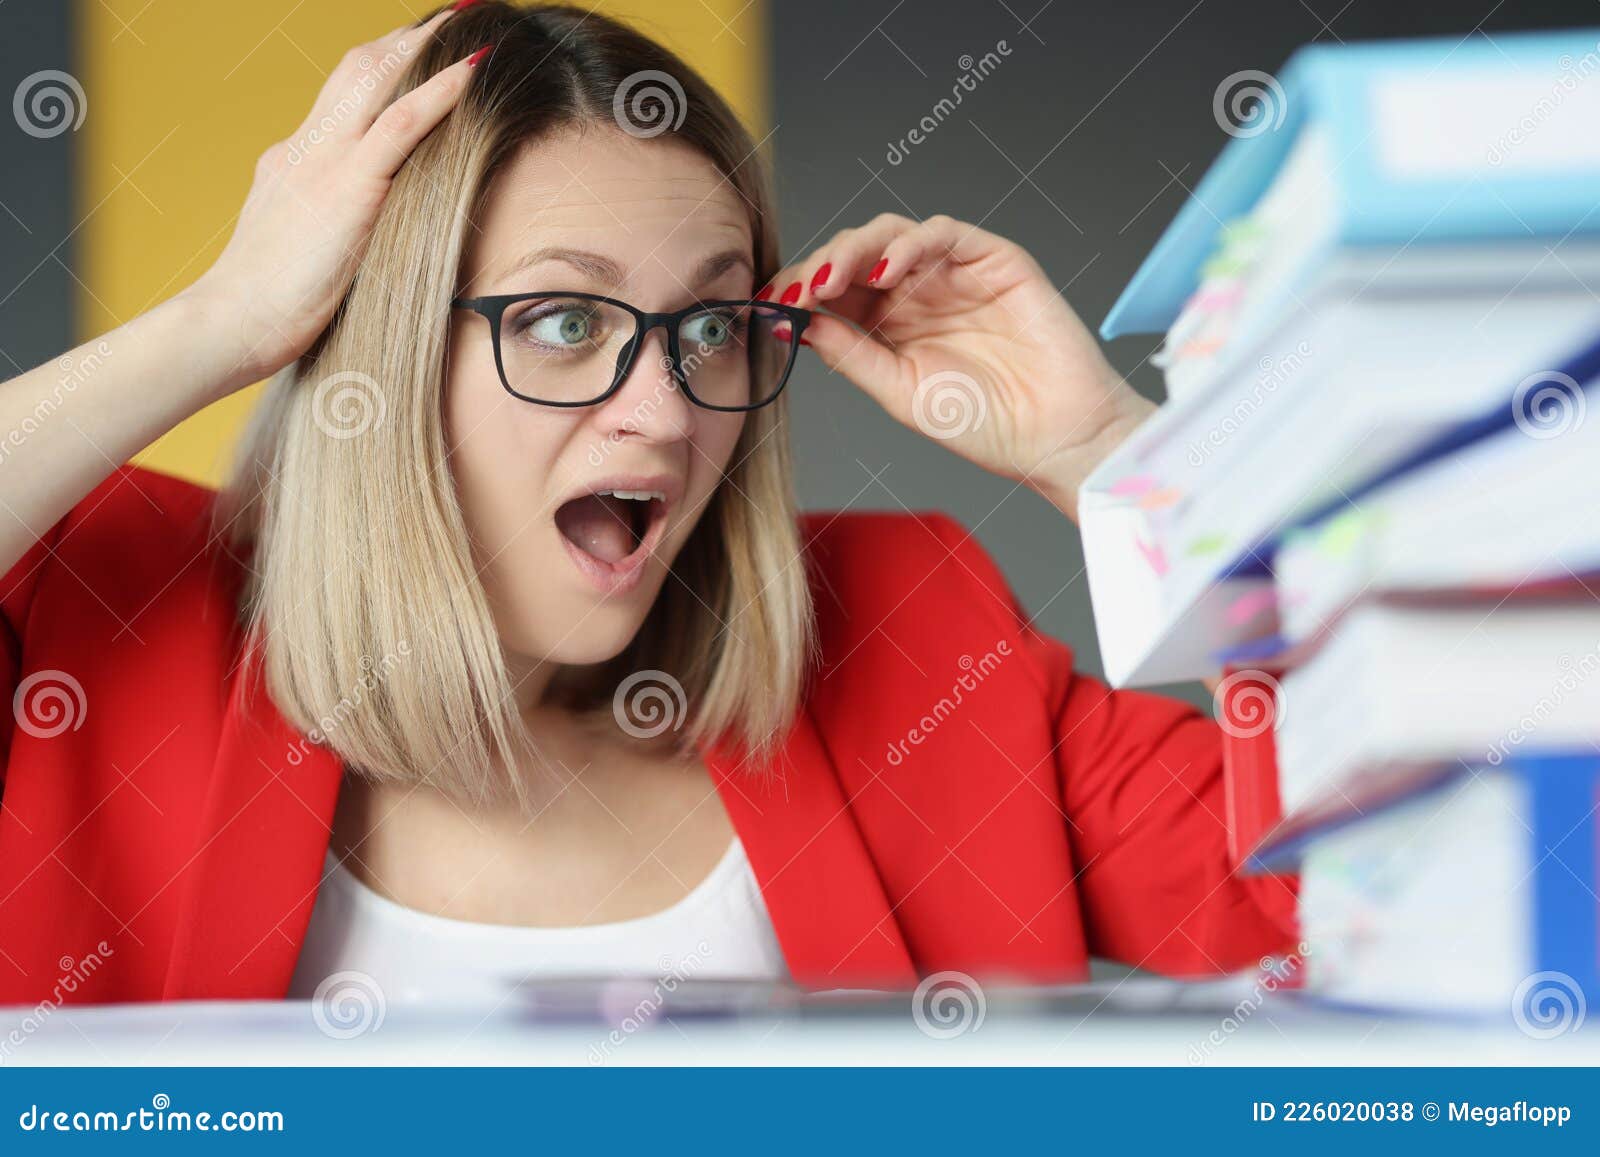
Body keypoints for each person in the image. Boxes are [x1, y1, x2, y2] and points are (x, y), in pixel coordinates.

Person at [0, 1, 1295, 1008]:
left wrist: (1111, 451)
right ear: (384, 353)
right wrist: (219, 325)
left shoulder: (916, 644)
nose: (666, 413)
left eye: (714, 325)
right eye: (564, 319)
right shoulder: (103, 613)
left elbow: (1385, 893)